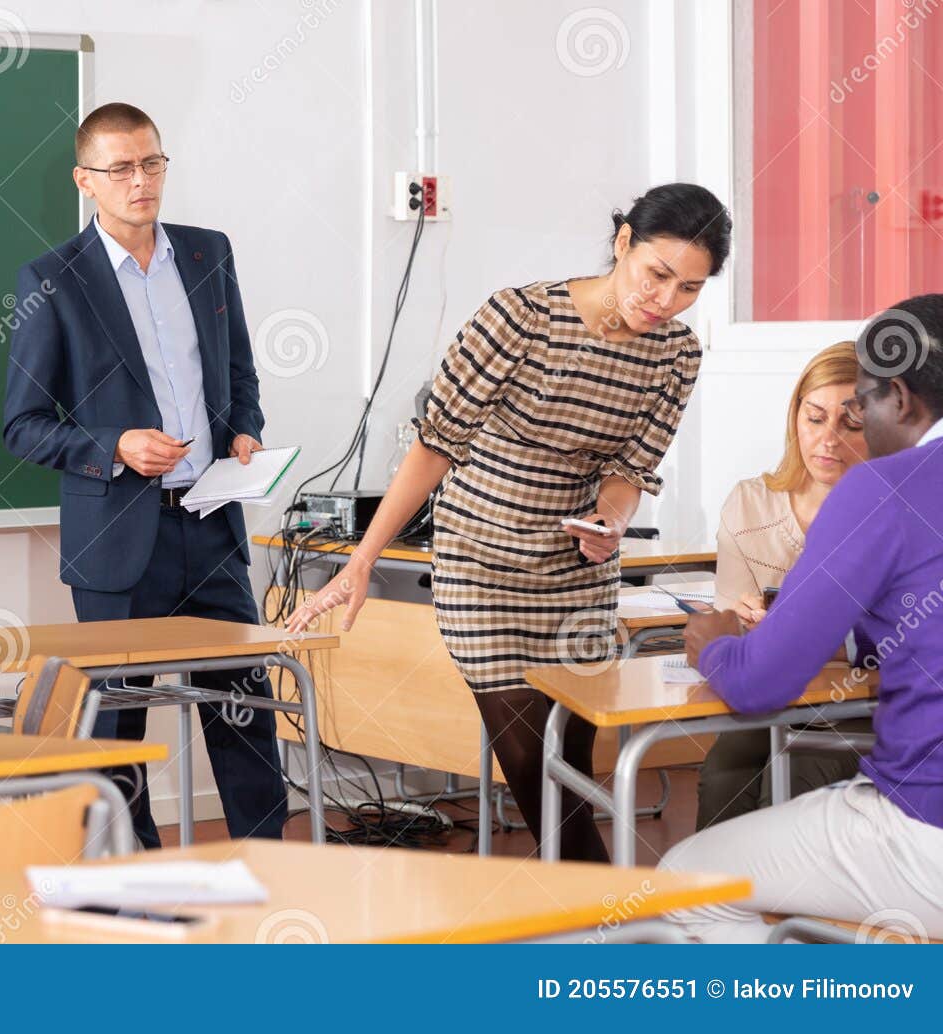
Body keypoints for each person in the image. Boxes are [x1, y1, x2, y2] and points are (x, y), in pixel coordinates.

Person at [289, 184, 733, 862]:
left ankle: (577, 919)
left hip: (576, 573)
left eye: (689, 289)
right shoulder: (520, 318)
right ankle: (611, 918)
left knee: (573, 762)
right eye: (658, 275)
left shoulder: (676, 354)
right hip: (480, 563)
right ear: (623, 244)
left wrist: (609, 520)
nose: (666, 300)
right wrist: (362, 559)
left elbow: (631, 469)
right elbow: (435, 445)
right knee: (531, 765)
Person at [2, 102, 287, 847]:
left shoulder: (207, 254)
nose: (141, 181)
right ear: (85, 180)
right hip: (117, 538)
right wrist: (115, 445)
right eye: (121, 168)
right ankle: (135, 880)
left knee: (244, 709)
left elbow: (238, 372)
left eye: (152, 163)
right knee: (117, 725)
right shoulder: (53, 280)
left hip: (211, 520)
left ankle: (271, 864)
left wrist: (245, 431)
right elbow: (22, 426)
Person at [665, 294, 943, 943]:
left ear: (897, 400)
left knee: (681, 880)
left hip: (926, 825)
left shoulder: (885, 487)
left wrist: (710, 645)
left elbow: (761, 684)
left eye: (860, 407)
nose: (850, 430)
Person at [696, 341, 871, 829]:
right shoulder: (751, 503)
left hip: (862, 701)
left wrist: (801, 638)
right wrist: (746, 624)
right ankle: (710, 904)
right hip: (775, 691)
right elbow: (730, 623)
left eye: (850, 424)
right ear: (795, 417)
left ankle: (786, 906)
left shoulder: (891, 509)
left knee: (796, 774)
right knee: (724, 772)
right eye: (815, 418)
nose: (828, 440)